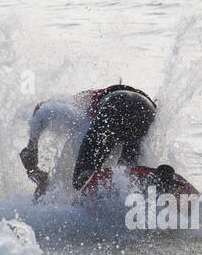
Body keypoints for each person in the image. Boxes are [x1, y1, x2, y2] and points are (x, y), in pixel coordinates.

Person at [18, 84, 156, 199]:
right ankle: (156, 184)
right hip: (147, 111)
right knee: (128, 177)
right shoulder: (103, 98)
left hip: (114, 105)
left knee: (81, 180)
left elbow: (42, 107)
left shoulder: (88, 98)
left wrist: (32, 151)